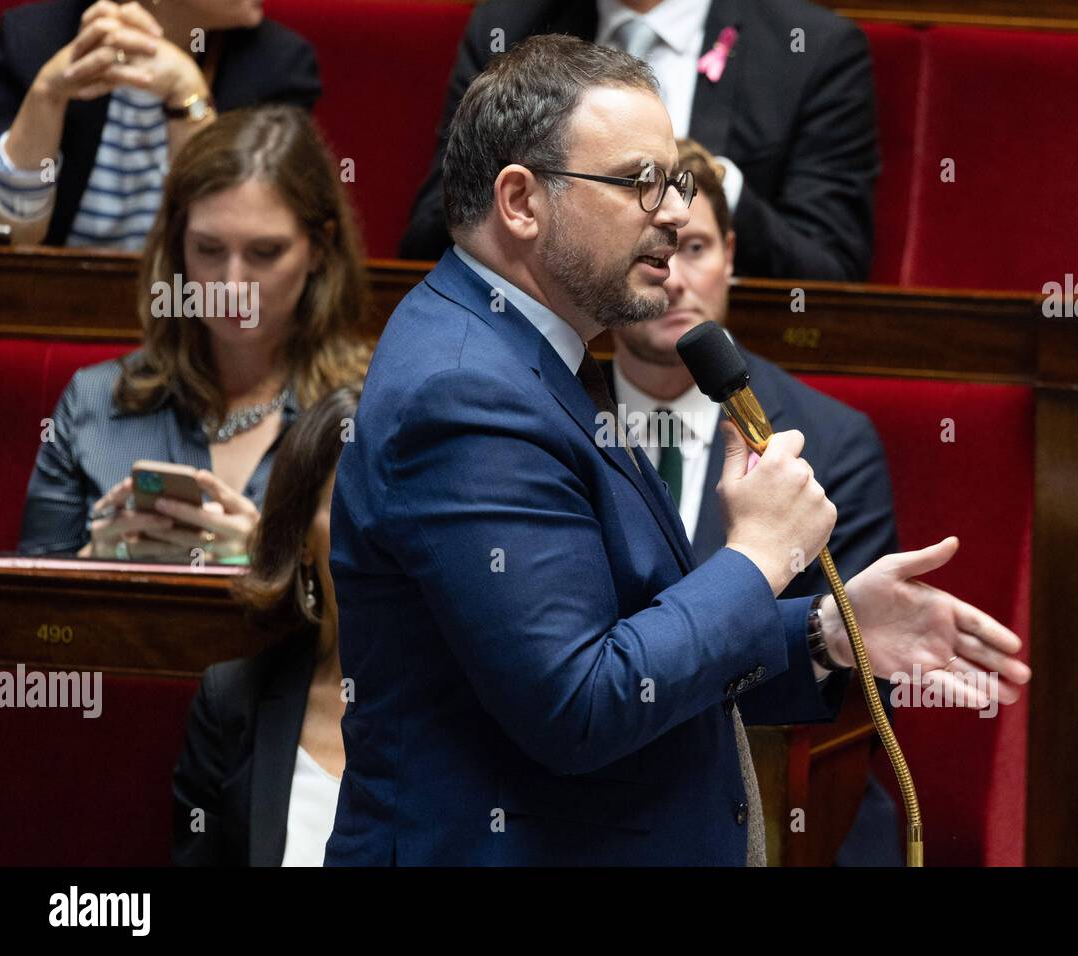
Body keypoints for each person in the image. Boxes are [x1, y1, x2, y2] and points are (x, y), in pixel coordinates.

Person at [326, 35, 1028, 867]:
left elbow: (620, 636)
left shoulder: (520, 350)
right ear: (520, 201)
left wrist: (819, 631)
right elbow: (580, 704)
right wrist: (761, 556)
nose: (671, 210)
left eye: (677, 182)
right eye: (637, 182)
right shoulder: (467, 390)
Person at [605, 136, 903, 864]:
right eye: (654, 251)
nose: (676, 278)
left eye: (696, 247)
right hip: (595, 799)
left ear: (732, 254)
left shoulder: (829, 441)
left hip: (789, 802)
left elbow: (856, 688)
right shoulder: (550, 420)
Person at [18, 105, 371, 561]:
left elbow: (392, 620)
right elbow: (33, 615)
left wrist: (267, 562)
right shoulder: (96, 399)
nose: (231, 285)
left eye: (265, 252)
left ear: (319, 249)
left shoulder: (368, 411)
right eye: (208, 249)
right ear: (178, 246)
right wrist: (92, 567)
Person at [399, 0, 880, 281]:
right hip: (540, 352)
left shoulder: (810, 49)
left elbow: (829, 273)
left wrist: (715, 186)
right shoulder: (508, 27)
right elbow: (435, 232)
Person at [172, 385, 359, 866]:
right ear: (301, 539)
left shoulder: (479, 706)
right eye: (353, 506)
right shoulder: (234, 704)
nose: (380, 533)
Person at [0, 0, 319, 248]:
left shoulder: (278, 67)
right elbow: (14, 237)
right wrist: (46, 95)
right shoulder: (30, 41)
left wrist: (189, 96)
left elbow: (233, 242)